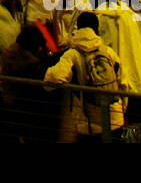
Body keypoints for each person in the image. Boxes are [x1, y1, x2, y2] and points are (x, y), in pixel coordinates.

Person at [43, 12, 125, 143]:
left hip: (89, 124)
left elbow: (55, 77)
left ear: (78, 28)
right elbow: (122, 82)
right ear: (97, 29)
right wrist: (122, 110)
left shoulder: (72, 54)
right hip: (114, 119)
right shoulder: (108, 52)